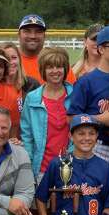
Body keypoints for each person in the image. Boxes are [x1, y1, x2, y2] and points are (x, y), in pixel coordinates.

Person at [67, 25, 109, 162]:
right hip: (99, 146)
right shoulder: (86, 81)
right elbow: (71, 118)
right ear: (101, 49)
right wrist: (98, 119)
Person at [20, 47, 74, 182]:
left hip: (70, 166)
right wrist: (28, 166)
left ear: (65, 69)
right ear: (43, 70)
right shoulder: (32, 98)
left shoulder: (75, 95)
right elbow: (27, 135)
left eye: (59, 66)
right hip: (41, 168)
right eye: (50, 67)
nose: (55, 71)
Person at [17, 13, 74, 84]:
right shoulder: (10, 61)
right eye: (27, 31)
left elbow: (72, 89)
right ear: (19, 34)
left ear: (44, 36)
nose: (33, 36)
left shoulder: (57, 61)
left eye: (38, 31)